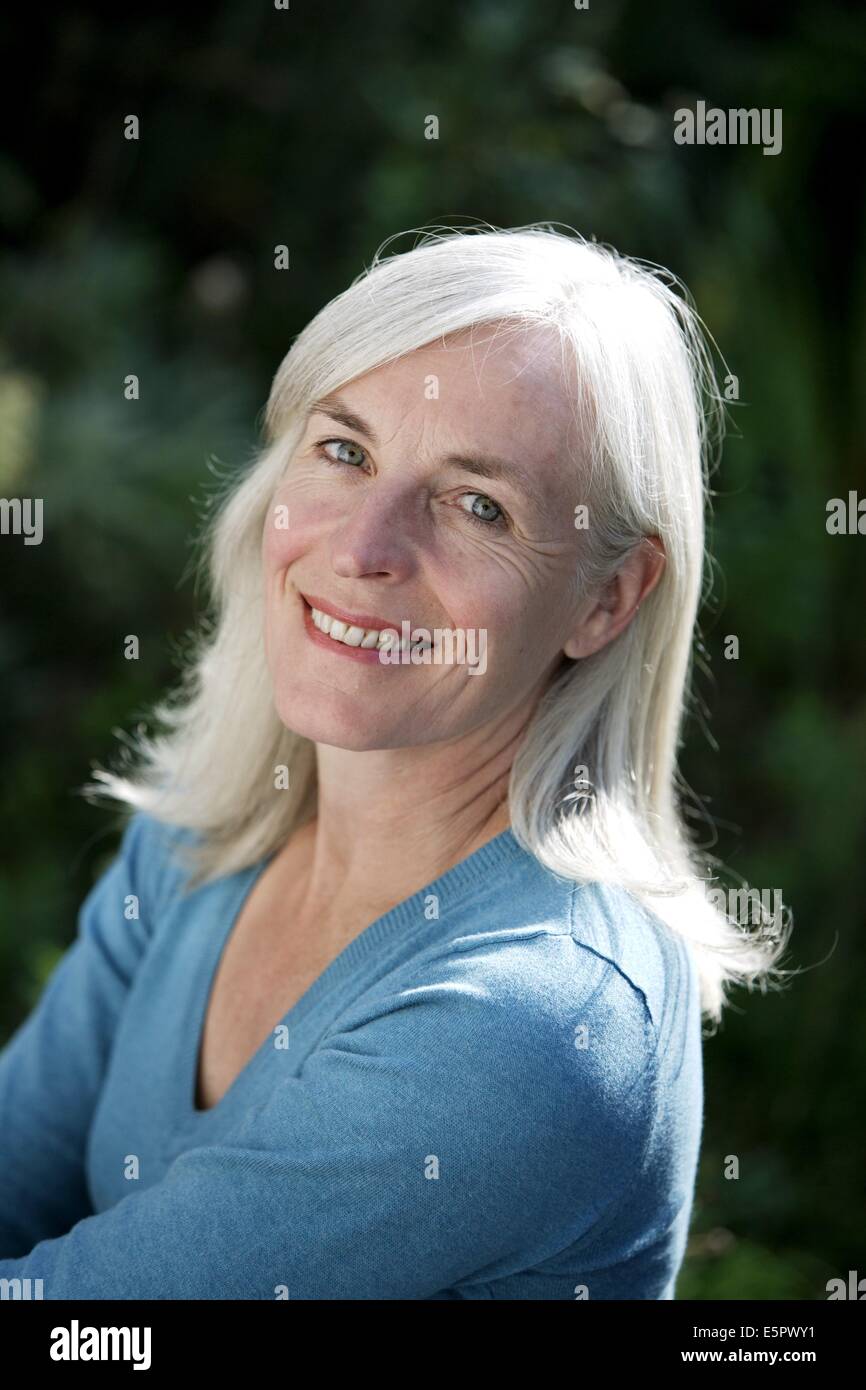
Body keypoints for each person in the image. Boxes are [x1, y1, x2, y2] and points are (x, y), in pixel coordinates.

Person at [0, 223, 790, 1299]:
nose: (363, 548)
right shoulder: (198, 837)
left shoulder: (528, 1022)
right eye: (345, 450)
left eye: (477, 506)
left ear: (606, 598)